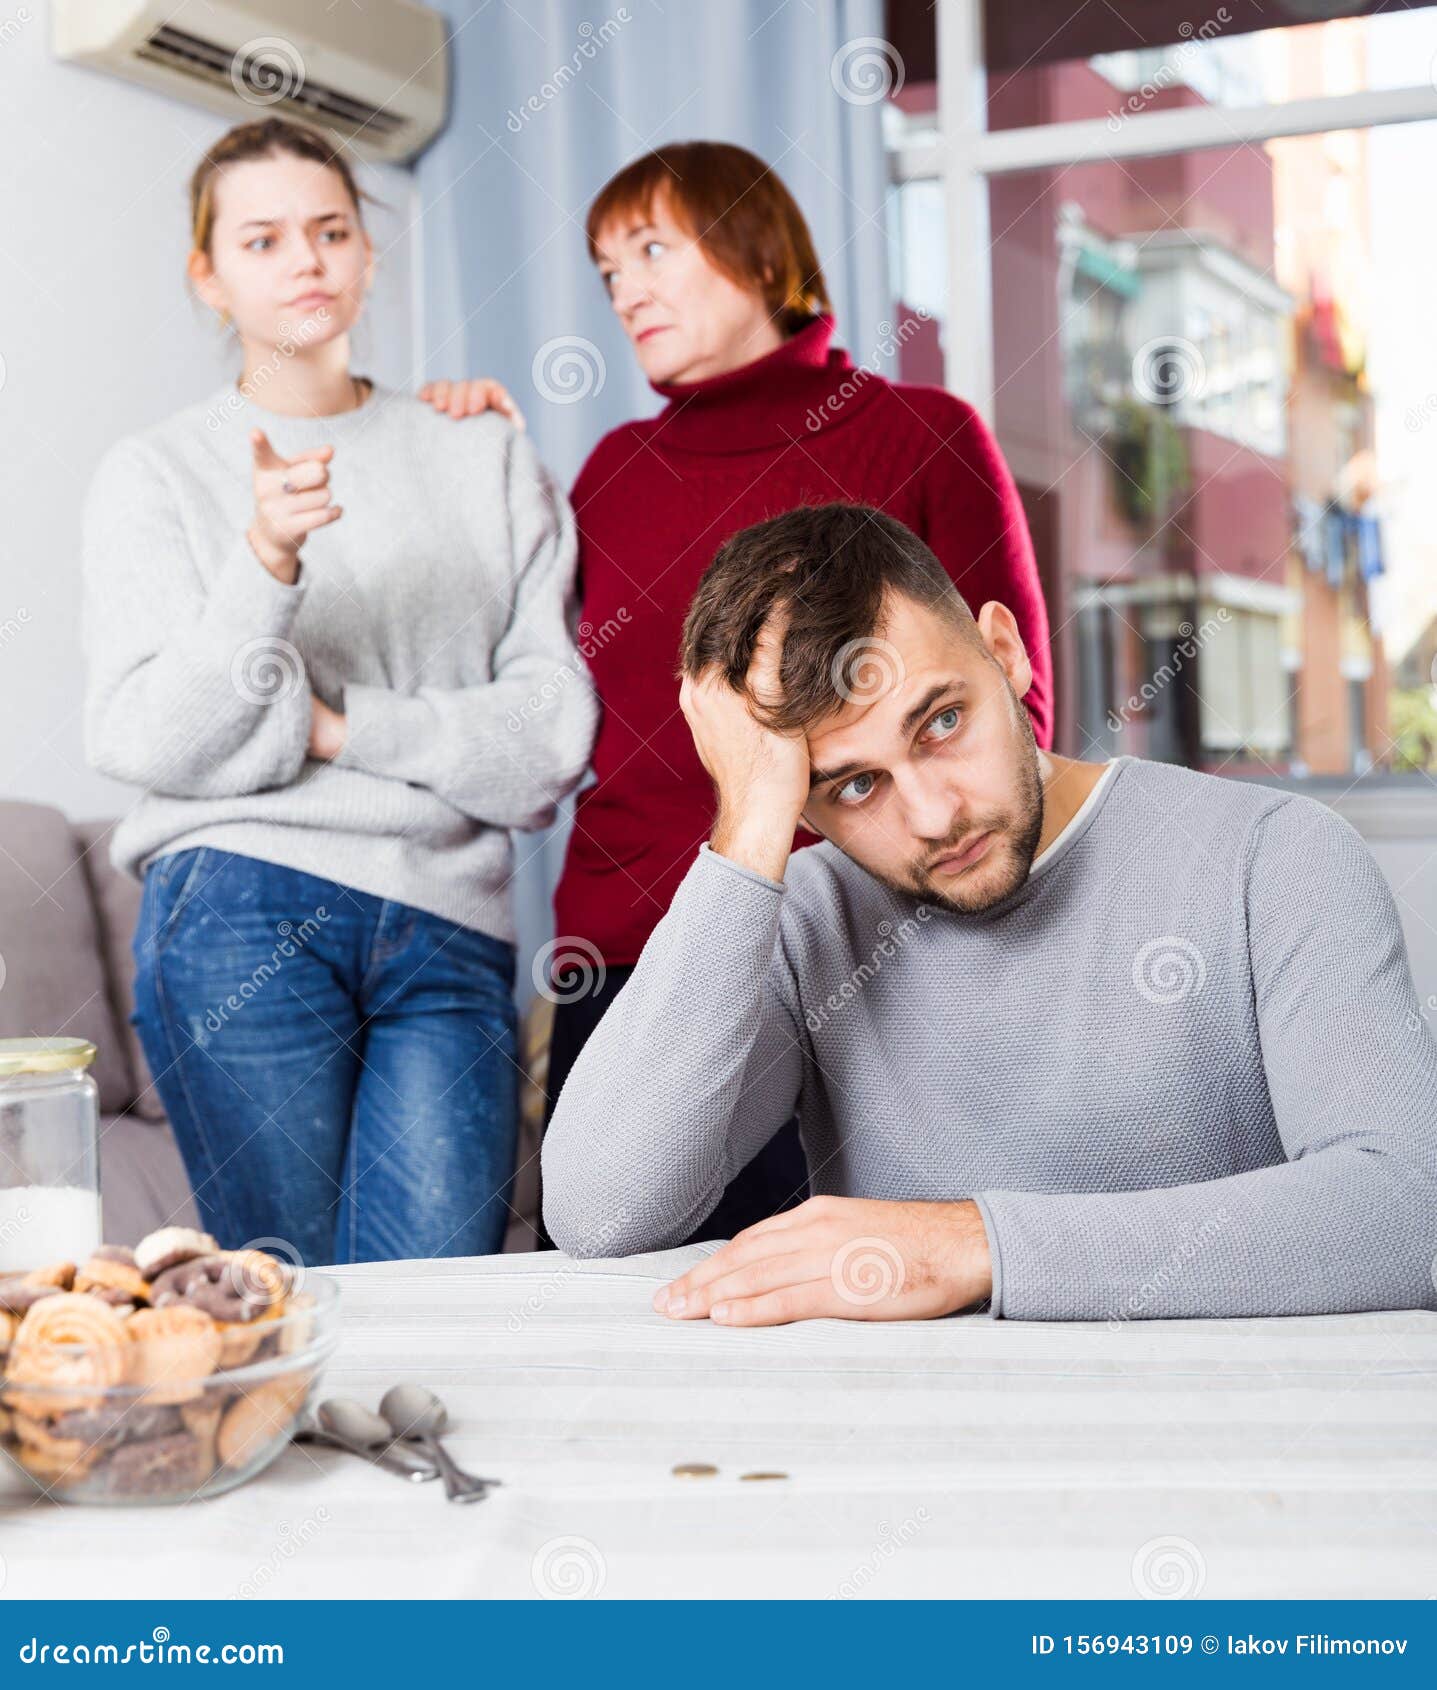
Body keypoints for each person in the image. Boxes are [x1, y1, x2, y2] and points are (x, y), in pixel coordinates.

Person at [541, 502, 1437, 1323]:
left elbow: (1409, 1208)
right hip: (938, 1449)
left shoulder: (1276, 856)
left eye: (939, 722)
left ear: (1003, 652)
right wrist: (745, 831)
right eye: (853, 785)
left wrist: (975, 1247)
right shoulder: (808, 922)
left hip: (1222, 1446)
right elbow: (599, 1211)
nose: (933, 815)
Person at [425, 141, 1054, 1246]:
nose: (626, 290)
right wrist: (486, 470)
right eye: (609, 270)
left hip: (863, 945)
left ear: (759, 251)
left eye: (654, 249)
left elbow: (1018, 716)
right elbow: (523, 671)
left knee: (856, 1290)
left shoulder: (922, 432)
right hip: (628, 952)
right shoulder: (613, 469)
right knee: (622, 1286)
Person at [81, 118, 595, 1265]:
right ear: (208, 275)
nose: (305, 260)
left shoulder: (482, 452)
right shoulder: (156, 474)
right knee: (294, 1316)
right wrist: (264, 567)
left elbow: (549, 743)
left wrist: (336, 722)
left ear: (368, 253)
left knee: (442, 1321)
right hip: (239, 904)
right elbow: (153, 738)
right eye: (262, 240)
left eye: (329, 230)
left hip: (451, 926)